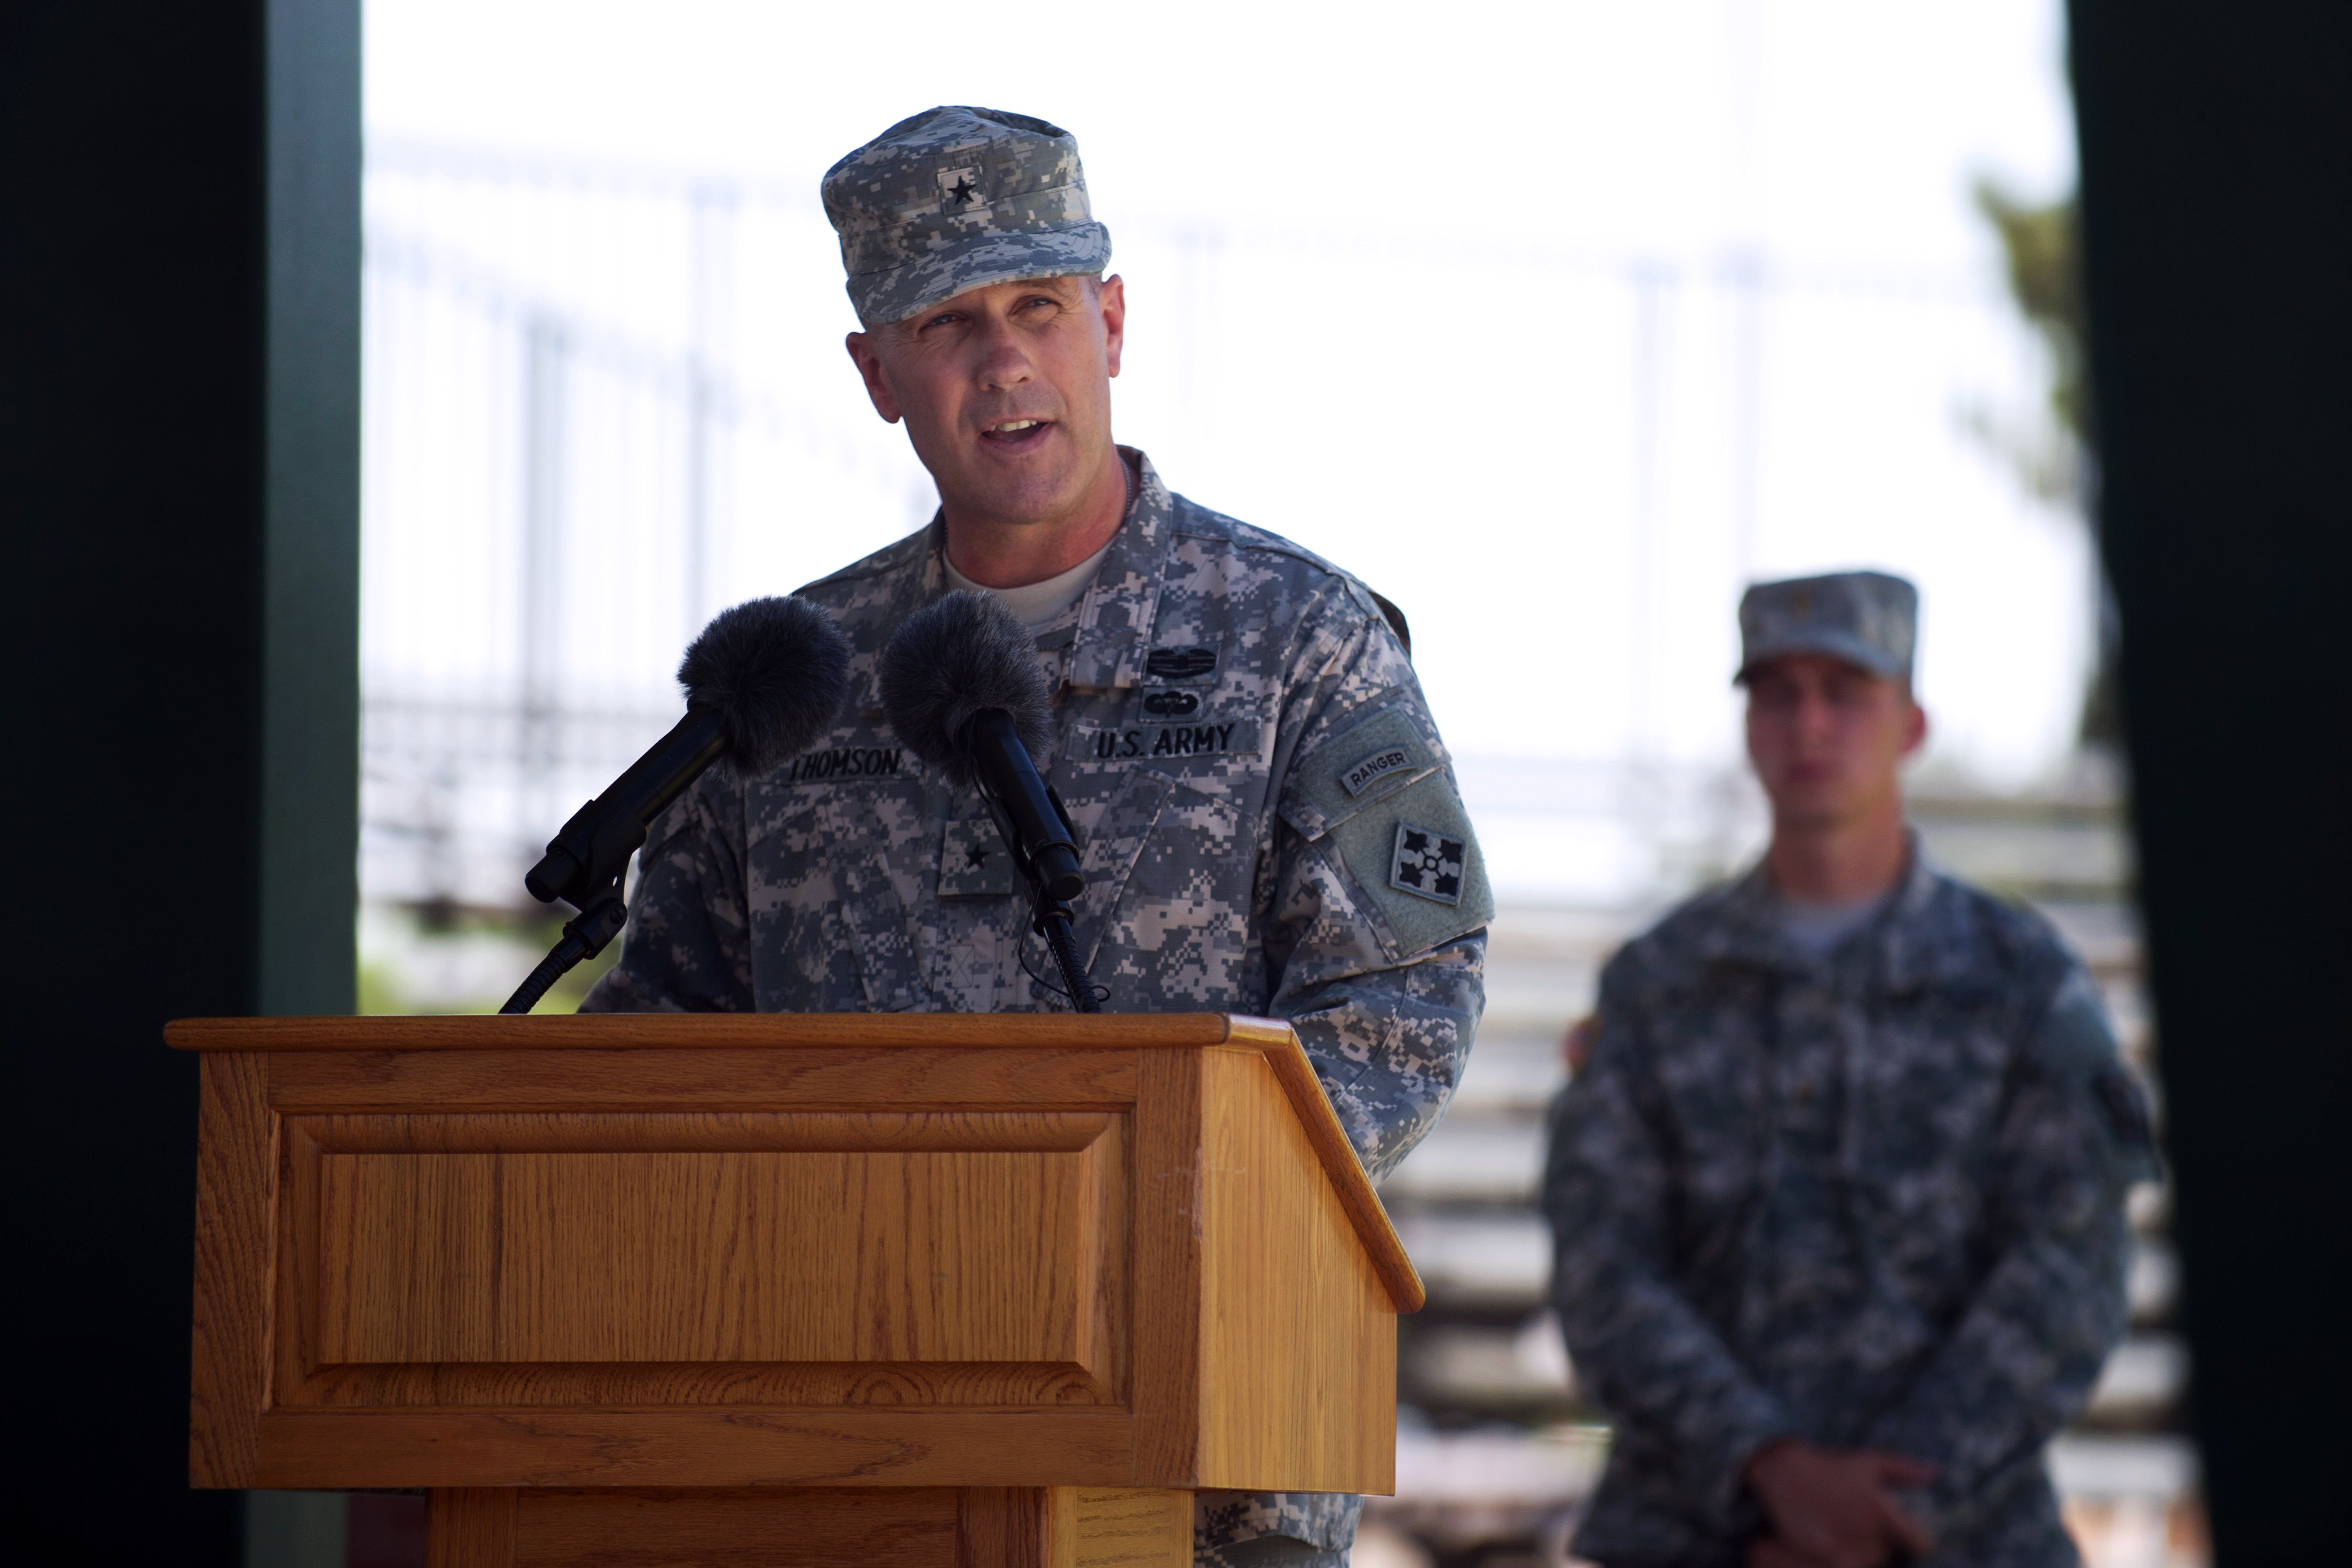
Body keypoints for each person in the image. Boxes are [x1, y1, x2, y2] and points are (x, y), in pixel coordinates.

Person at [582, 106, 1491, 1568]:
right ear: (877, 375)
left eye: (1038, 309)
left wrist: (1151, 1228)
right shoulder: (788, 680)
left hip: (1197, 1472)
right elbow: (662, 1034)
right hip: (840, 1467)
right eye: (946, 324)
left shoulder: (1295, 639)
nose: (1003, 362)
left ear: (1112, 325)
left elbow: (1400, 1003)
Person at [1541, 572, 2158, 1568]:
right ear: (1747, 728)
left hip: (1956, 1536)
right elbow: (1602, 1266)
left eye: (1845, 689)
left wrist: (1885, 1512)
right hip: (1701, 1534)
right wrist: (1771, 1471)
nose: (1809, 723)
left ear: (1909, 725)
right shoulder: (1658, 983)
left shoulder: (2018, 979)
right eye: (1778, 693)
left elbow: (2067, 1264)